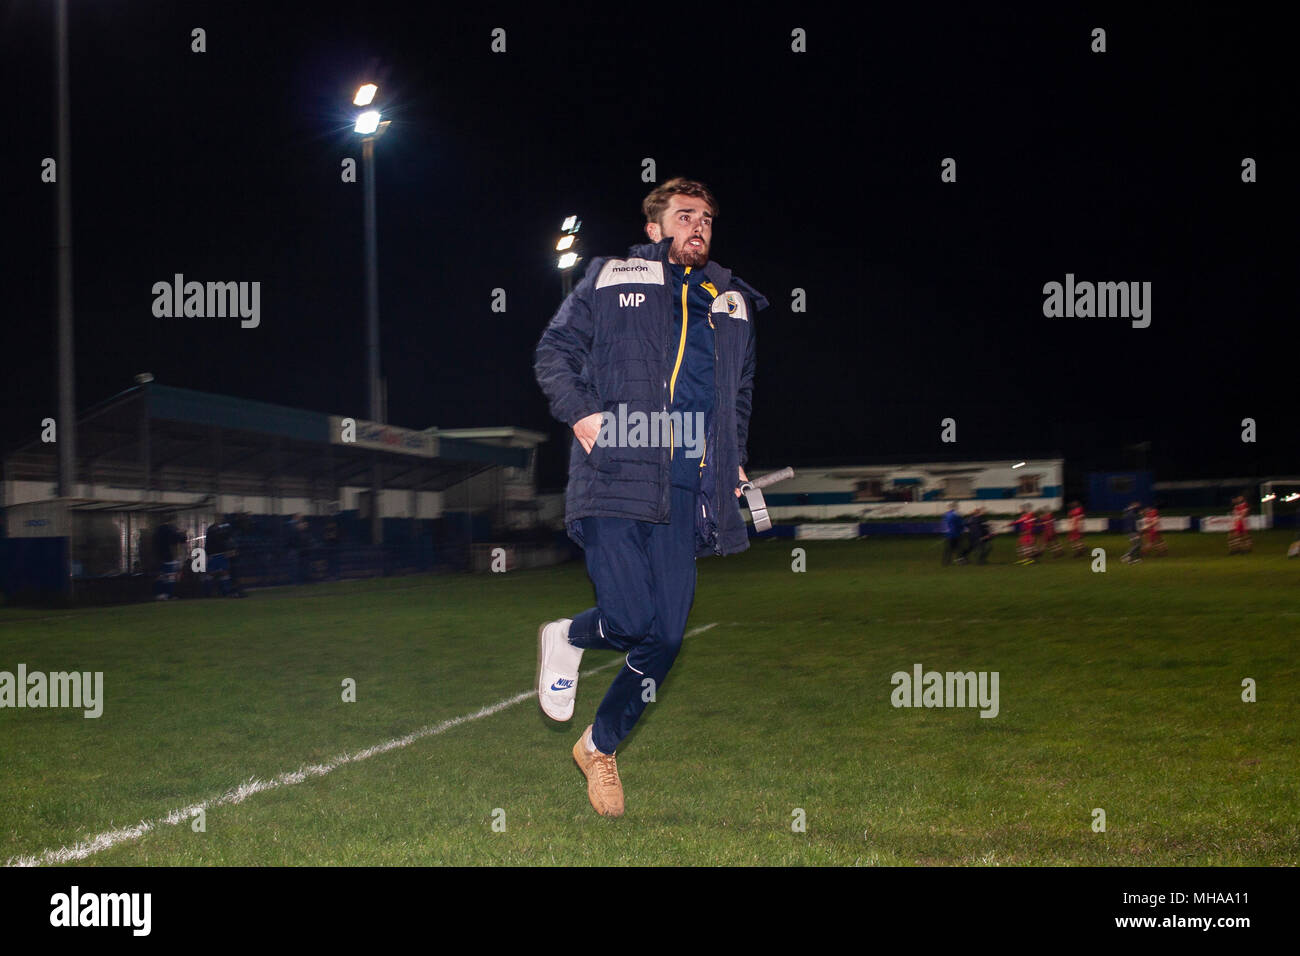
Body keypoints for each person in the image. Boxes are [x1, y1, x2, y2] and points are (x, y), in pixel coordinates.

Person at [533, 177, 767, 817]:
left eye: (708, 220)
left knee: (664, 637)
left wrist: (733, 457)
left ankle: (600, 747)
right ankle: (570, 637)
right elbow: (555, 348)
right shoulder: (613, 277)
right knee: (631, 619)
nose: (700, 227)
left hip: (686, 481)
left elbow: (736, 396)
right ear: (657, 225)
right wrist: (581, 412)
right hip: (617, 468)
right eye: (686, 216)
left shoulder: (732, 301)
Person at [152, 514, 186, 600]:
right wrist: (183, 534)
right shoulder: (171, 529)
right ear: (173, 520)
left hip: (160, 556)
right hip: (170, 557)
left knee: (161, 576)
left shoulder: (158, 530)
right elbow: (180, 540)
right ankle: (168, 594)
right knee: (170, 576)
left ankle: (160, 594)